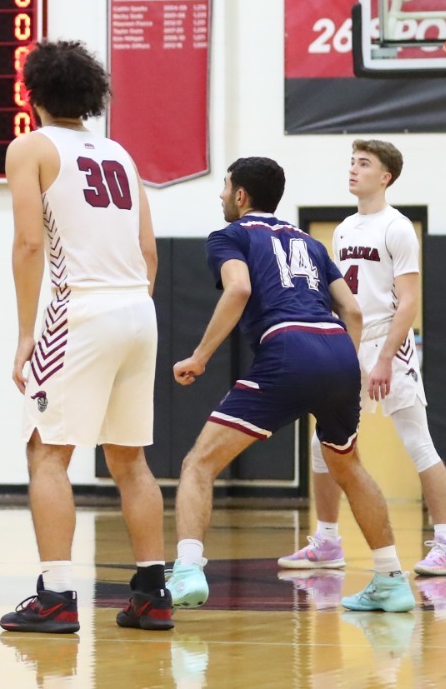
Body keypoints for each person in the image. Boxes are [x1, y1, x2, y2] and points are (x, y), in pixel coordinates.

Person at [169, 157, 414, 614]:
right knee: (349, 467)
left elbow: (238, 290)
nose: (221, 195)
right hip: (340, 350)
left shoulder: (230, 235)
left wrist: (200, 356)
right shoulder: (310, 243)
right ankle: (390, 580)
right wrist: (349, 365)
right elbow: (354, 313)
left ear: (241, 196)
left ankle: (186, 571)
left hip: (287, 348)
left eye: (225, 188)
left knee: (198, 463)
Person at [0, 39, 171, 635]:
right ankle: (152, 591)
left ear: (33, 94)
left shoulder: (30, 147)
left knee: (47, 452)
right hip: (136, 310)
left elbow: (28, 245)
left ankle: (56, 596)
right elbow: (149, 251)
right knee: (130, 459)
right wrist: (130, 308)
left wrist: (27, 333)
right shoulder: (120, 153)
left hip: (81, 312)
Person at [283, 139, 446, 579]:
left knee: (418, 443)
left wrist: (383, 359)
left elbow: (409, 303)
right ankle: (327, 541)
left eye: (363, 164)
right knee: (322, 445)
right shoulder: (343, 230)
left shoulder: (397, 228)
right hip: (350, 343)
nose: (353, 170)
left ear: (385, 177)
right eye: (351, 162)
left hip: (390, 344)